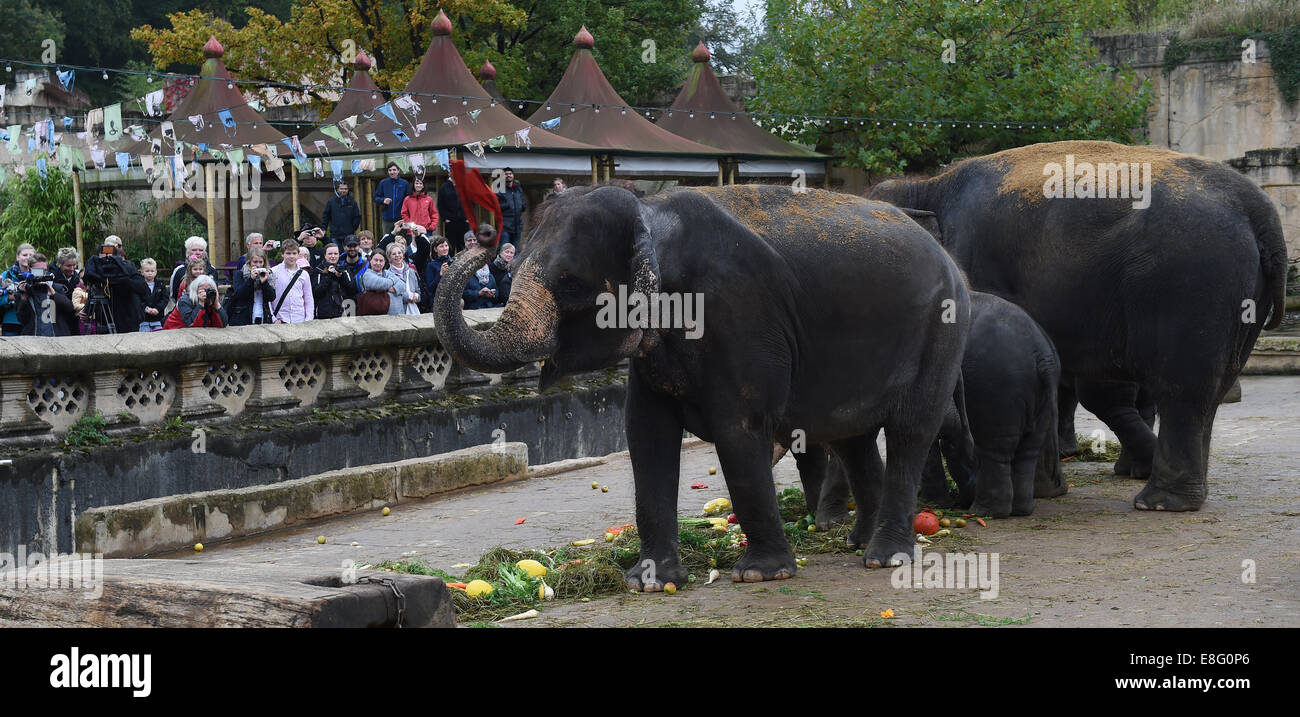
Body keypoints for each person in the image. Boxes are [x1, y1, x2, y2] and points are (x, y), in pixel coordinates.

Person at [81, 236, 148, 334]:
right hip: (105, 319)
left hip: (127, 319)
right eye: (104, 253)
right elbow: (95, 289)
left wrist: (123, 279)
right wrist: (87, 310)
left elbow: (143, 288)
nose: (107, 258)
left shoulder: (128, 267)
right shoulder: (97, 269)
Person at [15, 254, 74, 336]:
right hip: (33, 340)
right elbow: (22, 319)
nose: (41, 274)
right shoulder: (24, 290)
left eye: (44, 271)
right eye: (38, 270)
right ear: (29, 269)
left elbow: (70, 308)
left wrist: (55, 295)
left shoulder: (56, 288)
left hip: (57, 339)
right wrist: (24, 299)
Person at [227, 247, 277, 326]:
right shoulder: (240, 274)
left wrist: (264, 283)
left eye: (261, 262)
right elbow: (239, 295)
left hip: (263, 318)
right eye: (255, 262)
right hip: (243, 319)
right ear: (249, 261)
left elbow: (272, 297)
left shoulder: (269, 274)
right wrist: (251, 279)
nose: (258, 265)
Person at [269, 239, 314, 323]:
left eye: (294, 253)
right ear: (282, 254)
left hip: (300, 319)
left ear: (298, 254)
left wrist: (308, 319)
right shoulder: (273, 272)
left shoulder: (304, 274)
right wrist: (273, 319)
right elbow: (268, 298)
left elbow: (309, 299)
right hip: (280, 318)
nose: (291, 256)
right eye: (288, 253)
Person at [0, 243, 37, 335]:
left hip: (34, 321)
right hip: (12, 320)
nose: (28, 257)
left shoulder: (40, 274)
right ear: (17, 257)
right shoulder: (6, 275)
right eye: (24, 255)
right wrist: (12, 297)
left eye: (31, 255)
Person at [313, 243, 356, 319]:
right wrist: (329, 275)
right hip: (324, 313)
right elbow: (316, 292)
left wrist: (341, 276)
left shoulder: (344, 269)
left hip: (345, 311)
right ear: (325, 255)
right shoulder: (319, 270)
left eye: (335, 254)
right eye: (330, 254)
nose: (333, 256)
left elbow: (352, 289)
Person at [357, 250, 407, 315]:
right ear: (370, 260)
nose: (378, 263)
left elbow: (403, 285)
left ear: (384, 262)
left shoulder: (387, 273)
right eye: (376, 260)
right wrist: (393, 280)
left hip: (398, 315)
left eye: (381, 261)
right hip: (376, 317)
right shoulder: (367, 275)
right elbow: (381, 284)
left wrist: (394, 289)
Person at [169, 236, 217, 301]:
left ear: (204, 253)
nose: (198, 252)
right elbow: (173, 294)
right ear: (188, 252)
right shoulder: (179, 270)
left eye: (201, 250)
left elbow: (214, 291)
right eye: (194, 250)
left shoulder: (211, 270)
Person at [51, 248, 83, 336]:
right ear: (59, 265)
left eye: (74, 265)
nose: (72, 269)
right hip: (58, 321)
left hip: (75, 321)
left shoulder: (78, 278)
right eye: (68, 266)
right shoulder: (51, 278)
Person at [373, 162, 410, 236]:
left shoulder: (404, 183)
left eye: (394, 170)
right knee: (387, 240)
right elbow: (375, 198)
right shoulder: (383, 183)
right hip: (387, 219)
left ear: (398, 171)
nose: (392, 172)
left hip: (401, 219)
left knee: (401, 241)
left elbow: (409, 200)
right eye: (390, 170)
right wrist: (383, 200)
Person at [321, 180, 361, 245]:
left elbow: (357, 216)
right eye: (341, 189)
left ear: (348, 190)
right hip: (335, 234)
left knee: (349, 252)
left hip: (348, 234)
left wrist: (352, 228)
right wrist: (323, 228)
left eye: (345, 189)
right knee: (336, 252)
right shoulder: (331, 201)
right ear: (337, 190)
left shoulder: (352, 202)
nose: (343, 190)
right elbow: (325, 216)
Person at [386, 243, 422, 315]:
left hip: (413, 311)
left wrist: (417, 297)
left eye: (399, 253)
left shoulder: (411, 271)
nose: (397, 255)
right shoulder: (387, 274)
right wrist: (409, 296)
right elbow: (393, 296)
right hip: (397, 313)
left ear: (403, 255)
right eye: (393, 254)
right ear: (389, 257)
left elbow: (418, 292)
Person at [496, 167, 526, 249]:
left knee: (514, 251)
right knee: (503, 250)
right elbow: (496, 206)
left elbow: (522, 201)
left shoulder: (518, 188)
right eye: (506, 174)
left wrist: (523, 206)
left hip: (517, 226)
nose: (508, 175)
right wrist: (507, 206)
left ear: (513, 175)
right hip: (505, 226)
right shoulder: (499, 189)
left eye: (510, 174)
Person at [438, 175, 470, 254]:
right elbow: (440, 204)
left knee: (463, 246)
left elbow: (471, 203)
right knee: (450, 246)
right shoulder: (444, 187)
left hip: (464, 221)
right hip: (451, 221)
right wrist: (445, 218)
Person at [137, 258, 171, 332]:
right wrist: (145, 308)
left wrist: (158, 309)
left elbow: (165, 298)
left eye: (152, 271)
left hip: (158, 318)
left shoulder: (160, 284)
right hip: (144, 319)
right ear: (142, 272)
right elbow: (137, 300)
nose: (150, 273)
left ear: (155, 272)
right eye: (147, 271)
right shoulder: (139, 285)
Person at [425, 236, 453, 307]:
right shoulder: (431, 265)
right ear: (435, 249)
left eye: (446, 246)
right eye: (441, 246)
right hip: (437, 301)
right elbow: (430, 288)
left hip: (452, 299)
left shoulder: (453, 262)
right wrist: (440, 274)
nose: (445, 248)